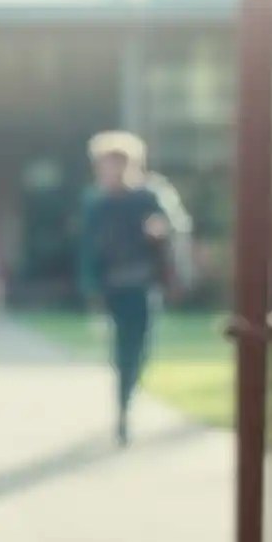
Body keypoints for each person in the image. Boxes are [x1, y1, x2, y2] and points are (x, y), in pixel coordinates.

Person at [79, 130, 177, 447]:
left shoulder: (148, 198)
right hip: (112, 286)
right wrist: (91, 287)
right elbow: (87, 249)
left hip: (142, 284)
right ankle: (122, 407)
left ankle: (128, 395)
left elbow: (169, 232)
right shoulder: (97, 203)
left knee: (139, 349)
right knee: (122, 350)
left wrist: (159, 233)